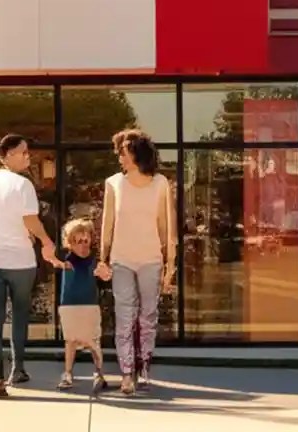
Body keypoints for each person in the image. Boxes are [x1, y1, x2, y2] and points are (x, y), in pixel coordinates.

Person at [0, 133, 60, 399]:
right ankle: (17, 369)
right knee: (19, 315)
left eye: (28, 152)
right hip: (20, 261)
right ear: (5, 156)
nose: (28, 156)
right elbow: (31, 220)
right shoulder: (23, 185)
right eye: (23, 152)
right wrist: (47, 242)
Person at [100, 128, 176, 396]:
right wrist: (102, 259)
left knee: (148, 316)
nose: (119, 158)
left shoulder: (160, 184)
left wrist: (170, 264)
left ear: (136, 152)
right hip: (121, 259)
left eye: (123, 152)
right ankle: (126, 373)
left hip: (151, 259)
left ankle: (145, 367)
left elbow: (166, 226)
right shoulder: (113, 183)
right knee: (124, 317)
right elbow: (107, 225)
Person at [53, 217, 112, 392]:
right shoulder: (66, 260)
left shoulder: (94, 261)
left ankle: (99, 373)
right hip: (69, 306)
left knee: (93, 341)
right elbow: (53, 260)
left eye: (86, 240)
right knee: (70, 341)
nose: (83, 245)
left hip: (90, 305)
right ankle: (68, 372)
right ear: (70, 243)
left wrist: (105, 274)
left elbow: (106, 276)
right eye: (78, 241)